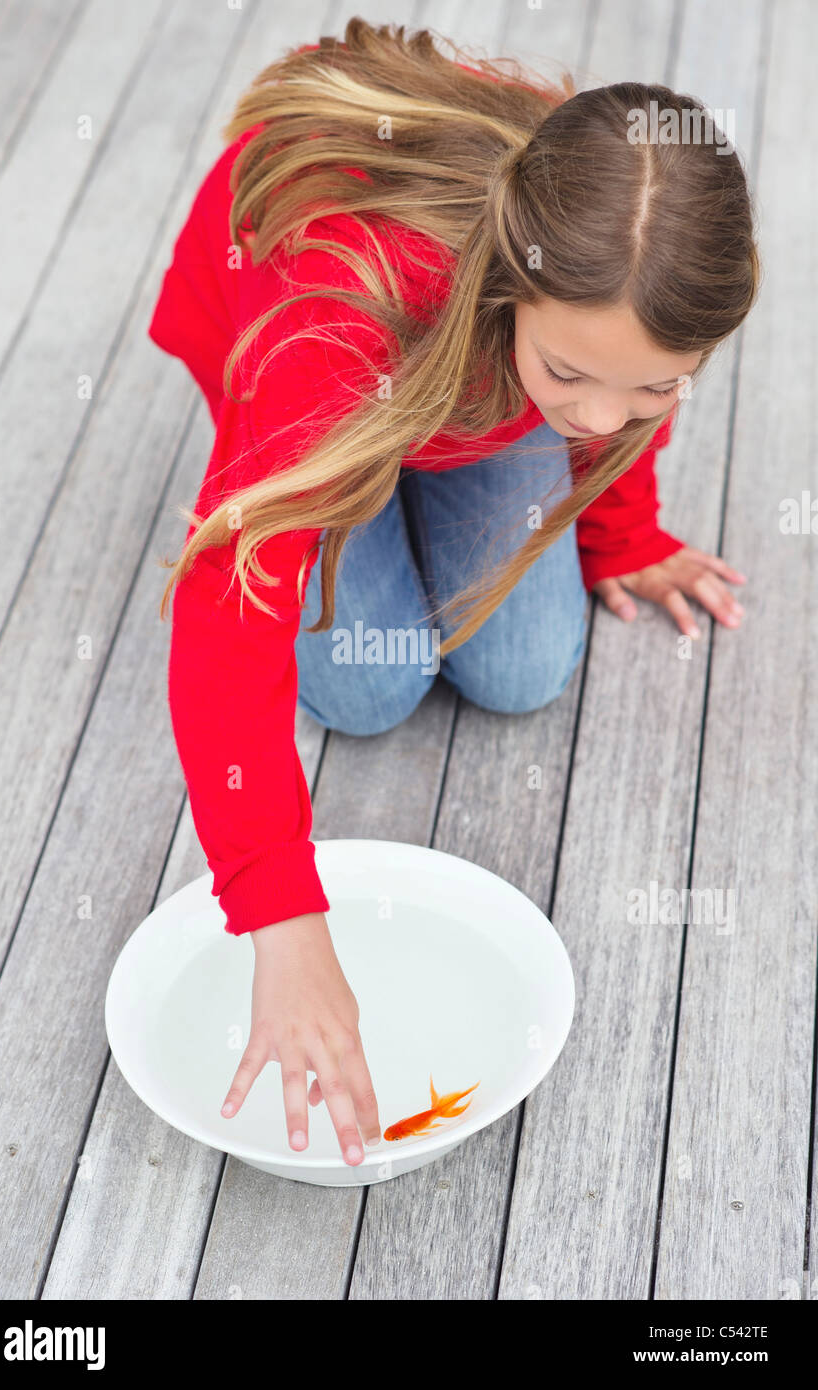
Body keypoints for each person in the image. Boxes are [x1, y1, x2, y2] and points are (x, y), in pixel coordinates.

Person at [147, 20, 758, 1166]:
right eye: (572, 371)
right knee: (366, 694)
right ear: (517, 285)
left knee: (521, 667)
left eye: (654, 386)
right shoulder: (340, 310)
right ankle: (351, 464)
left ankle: (451, 438)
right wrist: (281, 916)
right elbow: (229, 612)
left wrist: (623, 533)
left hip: (467, 375)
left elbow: (613, 401)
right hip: (351, 364)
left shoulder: (608, 319)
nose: (600, 415)